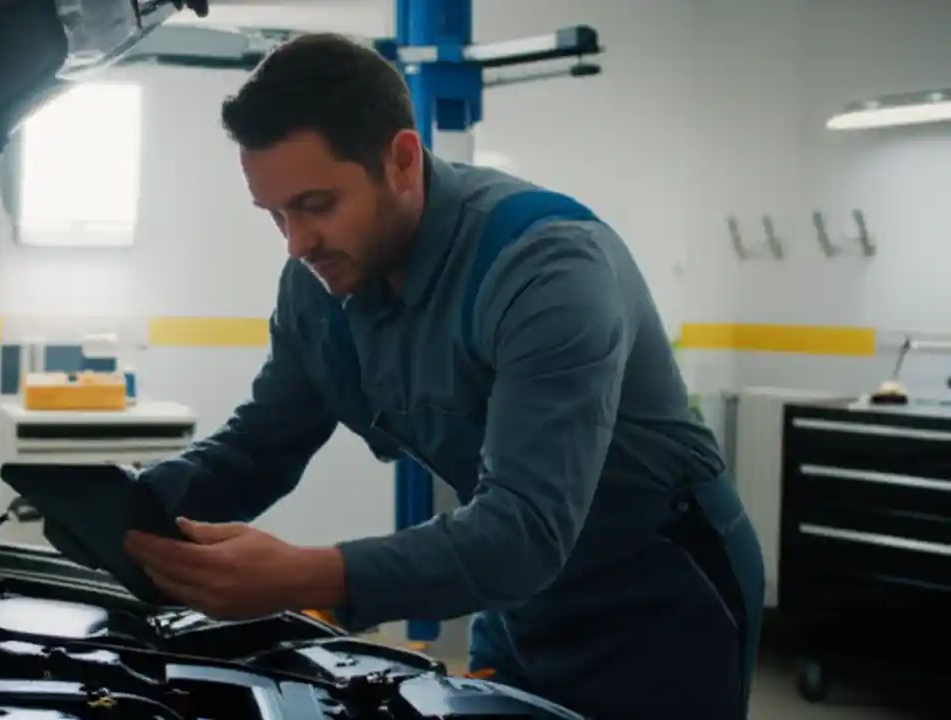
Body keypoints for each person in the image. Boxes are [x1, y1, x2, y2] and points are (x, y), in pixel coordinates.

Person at [124, 33, 765, 719]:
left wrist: (304, 575)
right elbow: (261, 447)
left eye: (316, 205)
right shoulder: (316, 282)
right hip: (517, 600)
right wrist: (139, 508)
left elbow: (524, 529)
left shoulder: (547, 268)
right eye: (276, 215)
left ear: (401, 161)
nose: (295, 243)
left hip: (660, 595)